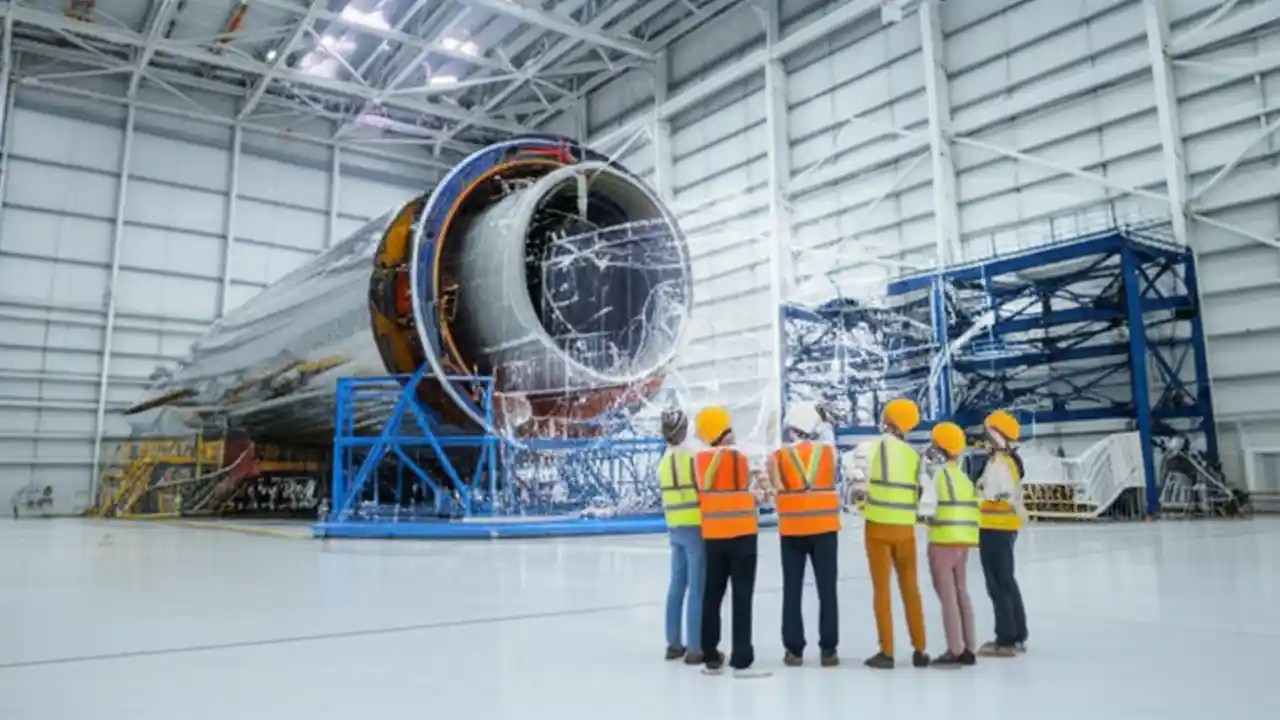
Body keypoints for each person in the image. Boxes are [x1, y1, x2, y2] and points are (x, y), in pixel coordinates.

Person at [846, 397, 935, 669]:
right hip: (905, 529)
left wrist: (860, 504)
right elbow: (924, 496)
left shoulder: (868, 448)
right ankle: (920, 649)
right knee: (911, 589)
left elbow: (855, 488)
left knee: (882, 591)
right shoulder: (913, 456)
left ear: (886, 420)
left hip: (877, 528)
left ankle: (886, 651)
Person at [695, 405, 770, 678]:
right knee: (742, 596)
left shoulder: (700, 460)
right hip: (744, 535)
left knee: (712, 595)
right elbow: (762, 493)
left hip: (714, 536)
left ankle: (711, 655)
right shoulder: (745, 457)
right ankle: (742, 657)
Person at [769, 401, 841, 668]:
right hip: (824, 529)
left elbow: (775, 488)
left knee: (792, 589)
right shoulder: (828, 454)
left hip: (792, 530)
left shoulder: (778, 457)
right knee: (827, 590)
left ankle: (794, 650)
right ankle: (829, 649)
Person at [924, 421, 980, 669]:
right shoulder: (962, 476)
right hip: (964, 541)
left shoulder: (939, 476)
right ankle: (969, 646)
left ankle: (954, 649)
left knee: (947, 595)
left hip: (943, 540)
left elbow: (928, 508)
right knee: (961, 593)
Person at [975, 409, 1030, 658]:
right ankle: (1018, 634)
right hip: (1004, 528)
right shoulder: (1009, 461)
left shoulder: (999, 464)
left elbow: (992, 496)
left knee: (997, 584)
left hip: (994, 528)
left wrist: (971, 500)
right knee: (1007, 581)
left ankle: (1005, 639)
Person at [657, 407, 705, 665]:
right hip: (695, 528)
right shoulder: (692, 459)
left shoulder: (663, 463)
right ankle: (696, 647)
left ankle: (673, 643)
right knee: (697, 588)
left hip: (674, 527)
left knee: (676, 586)